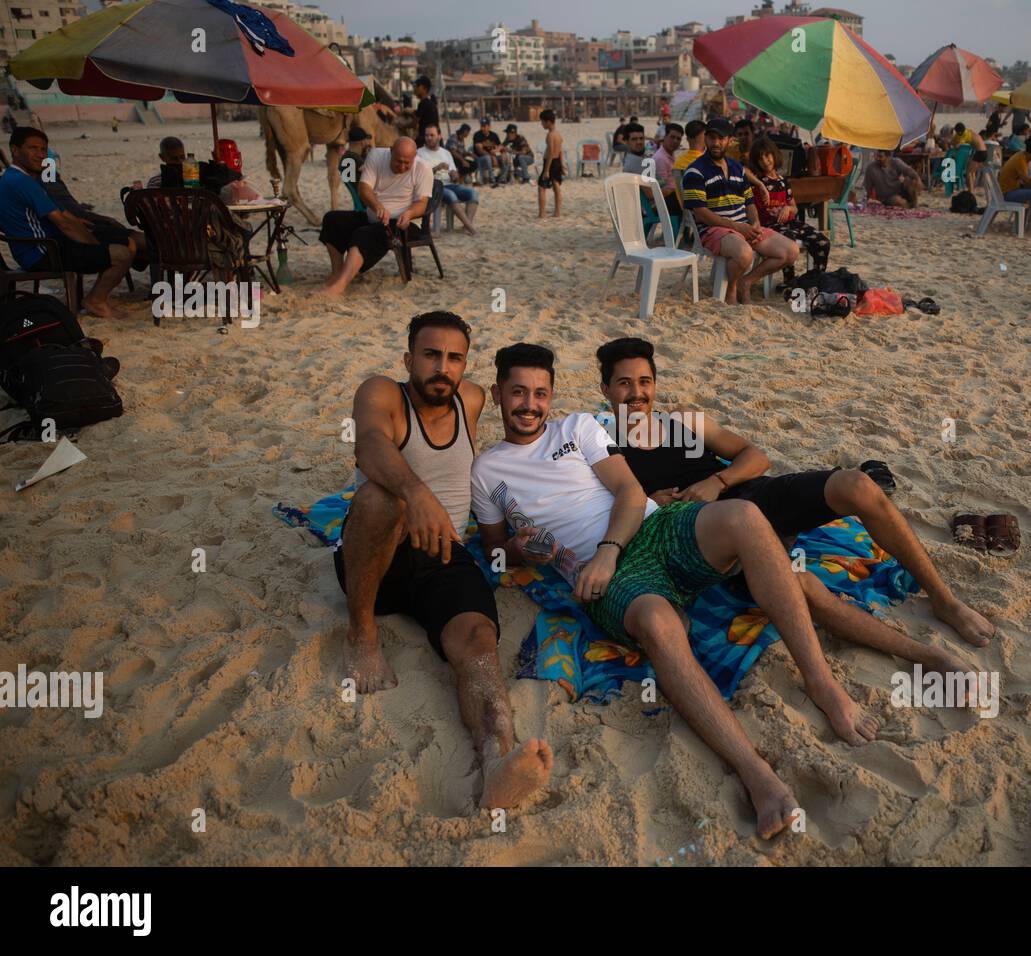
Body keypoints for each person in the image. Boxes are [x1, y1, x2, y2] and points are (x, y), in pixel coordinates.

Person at [472, 343, 883, 839]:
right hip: (617, 579)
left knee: (745, 515)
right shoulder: (487, 471)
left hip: (651, 530)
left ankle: (820, 682)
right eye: (517, 392)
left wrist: (607, 549)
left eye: (540, 393)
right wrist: (521, 549)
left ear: (552, 394)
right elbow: (497, 550)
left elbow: (628, 492)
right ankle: (756, 774)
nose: (529, 404)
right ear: (497, 394)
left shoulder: (576, 427)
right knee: (656, 622)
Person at [595, 336, 996, 658]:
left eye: (644, 382)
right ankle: (918, 655)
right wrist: (655, 505)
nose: (636, 393)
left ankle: (944, 599)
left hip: (754, 496)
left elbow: (756, 456)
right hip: (711, 537)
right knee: (801, 586)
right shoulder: (603, 448)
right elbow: (613, 514)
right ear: (606, 389)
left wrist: (718, 480)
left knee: (856, 484)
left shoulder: (684, 421)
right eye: (624, 383)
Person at [335, 312, 553, 807]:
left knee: (477, 642)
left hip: (445, 553)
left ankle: (496, 758)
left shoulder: (472, 398)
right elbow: (368, 445)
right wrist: (416, 492)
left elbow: (529, 415)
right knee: (378, 498)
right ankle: (361, 633)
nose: (442, 368)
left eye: (454, 358)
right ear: (409, 358)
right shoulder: (383, 393)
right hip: (379, 553)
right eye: (431, 355)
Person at [1, 126, 135, 318]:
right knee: (121, 253)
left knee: (125, 240)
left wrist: (88, 231)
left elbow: (64, 215)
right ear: (15, 150)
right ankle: (95, 300)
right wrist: (95, 246)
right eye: (33, 148)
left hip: (43, 246)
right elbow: (63, 224)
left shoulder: (18, 178)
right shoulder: (21, 182)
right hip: (42, 253)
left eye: (43, 150)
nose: (40, 155)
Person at [681, 118, 798, 305]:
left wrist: (755, 223)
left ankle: (747, 281)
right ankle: (732, 286)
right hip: (713, 229)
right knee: (745, 254)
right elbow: (701, 212)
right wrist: (737, 227)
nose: (716, 143)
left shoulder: (737, 168)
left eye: (721, 138)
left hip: (743, 226)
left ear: (729, 140)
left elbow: (749, 202)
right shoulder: (695, 171)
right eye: (711, 137)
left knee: (790, 251)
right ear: (706, 139)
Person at [318, 137, 432, 297]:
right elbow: (364, 189)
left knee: (363, 234)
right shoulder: (377, 156)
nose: (402, 166)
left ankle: (340, 285)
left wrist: (409, 213)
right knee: (332, 219)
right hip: (373, 215)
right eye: (398, 161)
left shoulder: (423, 168)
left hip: (402, 223)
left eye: (407, 163)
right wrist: (377, 206)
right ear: (390, 152)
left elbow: (422, 203)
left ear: (414, 158)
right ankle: (337, 272)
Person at [749, 137, 826, 283]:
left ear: (774, 154)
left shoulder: (783, 181)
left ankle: (816, 278)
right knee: (789, 239)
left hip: (790, 222)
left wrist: (787, 208)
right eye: (760, 159)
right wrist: (759, 184)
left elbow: (795, 208)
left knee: (822, 242)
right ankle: (789, 281)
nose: (765, 161)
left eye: (767, 155)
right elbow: (742, 169)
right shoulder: (756, 182)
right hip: (770, 227)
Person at [415, 126, 478, 234]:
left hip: (449, 184)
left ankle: (466, 226)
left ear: (439, 136)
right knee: (451, 195)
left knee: (473, 193)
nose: (429, 138)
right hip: (432, 185)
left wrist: (454, 175)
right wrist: (437, 168)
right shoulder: (420, 153)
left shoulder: (446, 153)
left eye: (432, 135)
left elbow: (454, 174)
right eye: (426, 135)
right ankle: (471, 229)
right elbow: (419, 175)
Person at [653, 122, 684, 216]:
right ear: (665, 137)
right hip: (660, 202)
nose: (675, 141)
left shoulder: (670, 155)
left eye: (678, 139)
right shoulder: (661, 158)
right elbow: (664, 189)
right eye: (672, 137)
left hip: (670, 197)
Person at [339, 126, 372, 212]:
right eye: (366, 140)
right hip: (365, 201)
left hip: (358, 200)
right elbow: (370, 171)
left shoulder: (346, 157)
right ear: (362, 142)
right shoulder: (354, 158)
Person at [537, 108, 563, 218]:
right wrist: (562, 164)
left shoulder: (550, 135)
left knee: (541, 187)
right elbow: (560, 150)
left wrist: (546, 170)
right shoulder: (558, 134)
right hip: (557, 161)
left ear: (548, 121)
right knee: (556, 186)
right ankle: (557, 212)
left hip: (550, 162)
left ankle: (542, 213)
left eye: (542, 122)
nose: (541, 124)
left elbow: (551, 152)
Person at [472, 118, 505, 188]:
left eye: (485, 126)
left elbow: (500, 146)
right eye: (482, 126)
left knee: (506, 157)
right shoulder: (477, 135)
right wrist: (492, 156)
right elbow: (479, 150)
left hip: (493, 156)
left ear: (489, 126)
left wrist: (502, 153)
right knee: (487, 158)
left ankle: (502, 178)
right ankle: (492, 180)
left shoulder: (494, 135)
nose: (483, 128)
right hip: (480, 158)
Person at [411, 75, 440, 143]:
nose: (415, 88)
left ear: (425, 89)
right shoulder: (430, 103)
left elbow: (414, 123)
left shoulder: (423, 103)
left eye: (417, 86)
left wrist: (401, 125)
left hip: (426, 140)